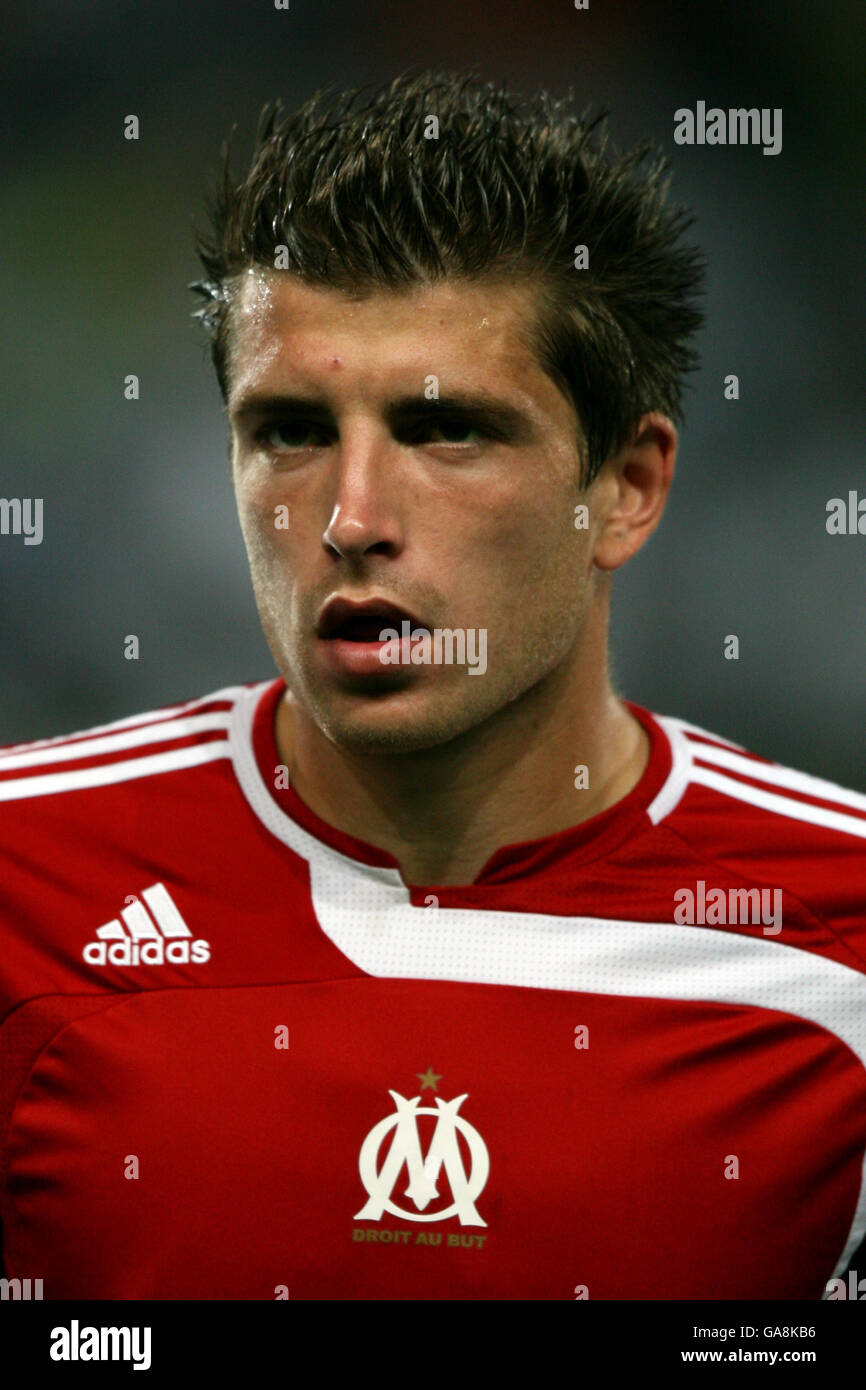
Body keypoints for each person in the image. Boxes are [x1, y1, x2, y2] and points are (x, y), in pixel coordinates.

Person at [1, 69, 864, 1301]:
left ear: (624, 487)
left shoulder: (835, 936)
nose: (351, 520)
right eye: (289, 430)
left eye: (445, 429)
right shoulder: (21, 878)